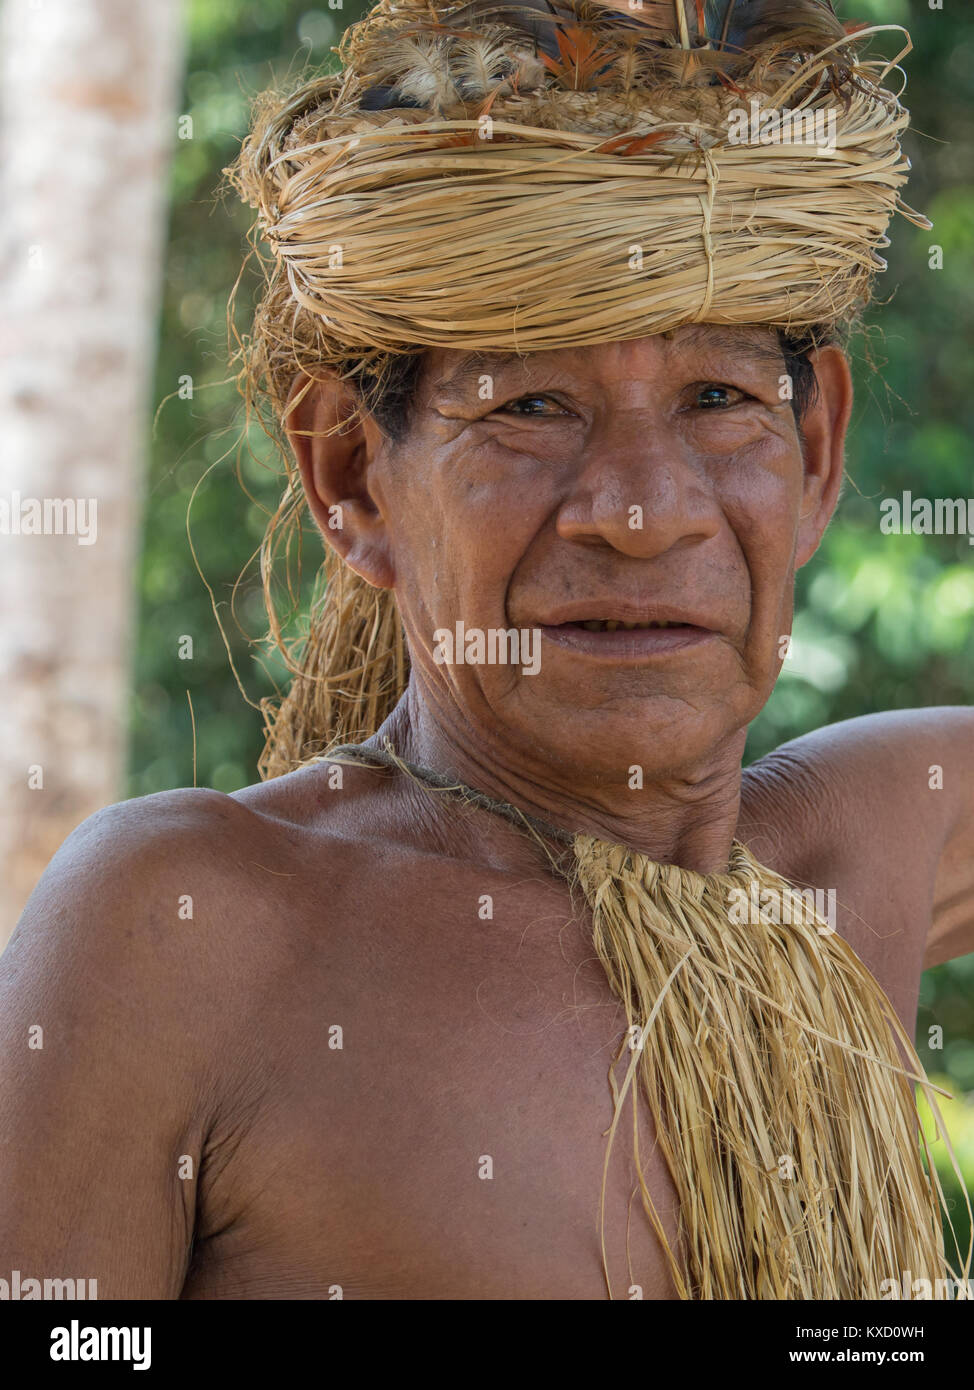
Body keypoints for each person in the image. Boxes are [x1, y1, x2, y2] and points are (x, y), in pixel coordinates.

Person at [1, 0, 971, 1301]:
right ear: (348, 472)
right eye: (529, 404)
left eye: (719, 399)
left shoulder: (869, 845)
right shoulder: (192, 929)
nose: (643, 510)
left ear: (815, 450)